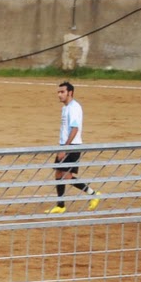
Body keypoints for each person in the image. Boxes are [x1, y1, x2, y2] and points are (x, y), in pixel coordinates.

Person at [48, 81, 100, 213]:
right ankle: (60, 205)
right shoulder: (65, 107)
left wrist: (65, 148)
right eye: (58, 92)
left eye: (62, 92)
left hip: (72, 146)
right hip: (65, 145)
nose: (59, 95)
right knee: (59, 173)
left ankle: (93, 194)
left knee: (67, 176)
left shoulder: (74, 107)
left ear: (70, 93)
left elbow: (75, 128)